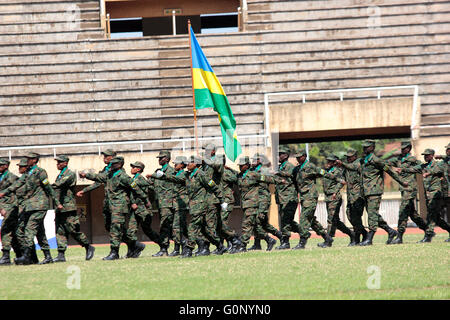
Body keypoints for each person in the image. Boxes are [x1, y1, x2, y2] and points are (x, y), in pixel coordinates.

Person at [339, 140, 407, 246]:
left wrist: (402, 182)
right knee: (373, 214)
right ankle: (390, 231)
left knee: (372, 215)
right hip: (365, 192)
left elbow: (388, 170)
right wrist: (342, 164)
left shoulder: (376, 160)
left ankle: (369, 239)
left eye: (367, 147)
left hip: (374, 191)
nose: (364, 149)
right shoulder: (363, 161)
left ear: (372, 148)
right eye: (364, 147)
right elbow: (352, 167)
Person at [82, 156, 149, 260]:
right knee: (110, 227)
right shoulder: (109, 175)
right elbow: (98, 177)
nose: (111, 165)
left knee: (115, 228)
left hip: (119, 206)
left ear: (119, 165)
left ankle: (114, 252)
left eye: (114, 164)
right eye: (111, 164)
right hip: (109, 206)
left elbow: (136, 189)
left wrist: (146, 201)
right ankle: (135, 244)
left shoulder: (124, 177)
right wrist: (86, 175)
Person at [0, 152, 61, 265]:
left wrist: (57, 202)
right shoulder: (28, 173)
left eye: (29, 159)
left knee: (28, 230)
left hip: (39, 206)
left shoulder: (40, 172)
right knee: (39, 232)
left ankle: (27, 257)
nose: (27, 160)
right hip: (30, 207)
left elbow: (48, 187)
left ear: (35, 160)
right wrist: (4, 192)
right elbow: (17, 184)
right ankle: (47, 256)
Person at [161, 155, 227, 257]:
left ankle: (188, 250)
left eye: (190, 162)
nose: (187, 164)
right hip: (193, 206)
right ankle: (220, 246)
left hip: (201, 206)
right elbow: (176, 179)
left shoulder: (201, 175)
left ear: (196, 163)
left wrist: (222, 200)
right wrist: (163, 176)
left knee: (192, 227)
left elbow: (213, 186)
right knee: (205, 231)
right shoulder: (188, 175)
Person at [52, 155, 95, 262]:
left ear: (65, 163)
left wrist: (45, 185)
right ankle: (61, 255)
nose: (57, 164)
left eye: (59, 162)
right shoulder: (60, 175)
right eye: (57, 162)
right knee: (59, 231)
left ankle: (87, 246)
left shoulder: (69, 174)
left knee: (72, 229)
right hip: (60, 207)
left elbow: (58, 185)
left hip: (68, 207)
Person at [292, 149, 333, 249]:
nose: (298, 158)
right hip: (303, 197)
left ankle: (302, 242)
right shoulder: (297, 169)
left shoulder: (310, 166)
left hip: (311, 197)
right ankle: (327, 238)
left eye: (300, 156)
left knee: (304, 219)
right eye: (296, 156)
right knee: (311, 221)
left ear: (305, 156)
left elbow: (323, 173)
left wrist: (337, 179)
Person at [388, 141, 428, 244]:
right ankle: (428, 231)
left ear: (409, 148)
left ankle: (399, 236)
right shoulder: (398, 159)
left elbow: (422, 167)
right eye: (401, 148)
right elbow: (386, 163)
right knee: (412, 214)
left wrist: (405, 169)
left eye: (405, 148)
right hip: (403, 189)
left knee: (403, 211)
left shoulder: (412, 159)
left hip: (410, 189)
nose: (402, 150)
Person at [234, 156, 276, 252]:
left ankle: (243, 246)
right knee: (256, 227)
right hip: (245, 204)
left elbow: (270, 179)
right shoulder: (240, 176)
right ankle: (269, 240)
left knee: (247, 224)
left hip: (252, 204)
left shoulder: (254, 175)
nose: (240, 167)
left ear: (247, 165)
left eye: (242, 165)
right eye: (239, 166)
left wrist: (280, 180)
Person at [248, 153, 281, 251]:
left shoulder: (264, 171)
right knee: (264, 224)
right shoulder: (251, 171)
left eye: (254, 160)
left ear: (259, 161)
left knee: (257, 221)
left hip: (263, 199)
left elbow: (273, 180)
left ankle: (269, 240)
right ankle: (280, 237)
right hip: (255, 200)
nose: (252, 162)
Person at [416, 149, 450, 242]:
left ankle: (428, 235)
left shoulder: (439, 165)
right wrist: (402, 169)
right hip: (428, 194)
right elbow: (413, 169)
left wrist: (428, 173)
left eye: (427, 155)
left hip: (436, 194)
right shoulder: (423, 166)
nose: (425, 157)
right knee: (437, 218)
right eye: (424, 155)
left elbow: (439, 170)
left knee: (431, 215)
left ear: (432, 155)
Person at [127, 161, 160, 257]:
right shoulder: (135, 179)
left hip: (143, 209)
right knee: (131, 231)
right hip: (135, 210)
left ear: (138, 169)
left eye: (133, 167)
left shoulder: (139, 179)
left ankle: (163, 245)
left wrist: (147, 202)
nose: (131, 168)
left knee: (148, 231)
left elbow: (150, 189)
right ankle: (133, 250)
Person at [335, 148, 368, 245]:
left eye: (350, 157)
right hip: (350, 196)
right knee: (350, 215)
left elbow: (353, 167)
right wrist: (335, 191)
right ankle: (362, 233)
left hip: (358, 196)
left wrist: (343, 164)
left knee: (356, 217)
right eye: (347, 157)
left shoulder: (358, 163)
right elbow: (343, 180)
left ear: (355, 156)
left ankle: (359, 237)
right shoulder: (347, 168)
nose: (348, 158)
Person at [147, 150, 177, 257]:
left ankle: (166, 248)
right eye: (159, 158)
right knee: (165, 226)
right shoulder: (157, 171)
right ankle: (166, 248)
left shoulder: (172, 172)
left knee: (166, 226)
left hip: (169, 203)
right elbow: (151, 185)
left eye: (162, 158)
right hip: (160, 203)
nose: (159, 160)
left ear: (168, 159)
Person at [322, 155, 355, 245]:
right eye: (327, 161)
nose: (328, 163)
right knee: (336, 221)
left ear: (334, 163)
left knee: (331, 219)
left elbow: (341, 182)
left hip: (334, 197)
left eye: (330, 161)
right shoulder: (326, 171)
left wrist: (335, 192)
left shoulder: (337, 171)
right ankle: (352, 234)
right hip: (328, 197)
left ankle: (328, 240)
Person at [273, 146, 300, 250]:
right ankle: (303, 232)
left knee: (286, 221)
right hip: (282, 198)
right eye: (278, 154)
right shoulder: (281, 166)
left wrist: (278, 173)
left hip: (289, 198)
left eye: (281, 154)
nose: (278, 156)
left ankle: (286, 243)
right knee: (286, 221)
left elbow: (291, 176)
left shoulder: (289, 166)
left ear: (286, 155)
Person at [0, 158, 20, 265]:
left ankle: (6, 256)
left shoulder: (12, 177)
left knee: (6, 230)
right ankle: (19, 255)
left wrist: (14, 206)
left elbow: (19, 191)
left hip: (11, 207)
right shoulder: (1, 176)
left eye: (1, 165)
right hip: (4, 206)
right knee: (13, 232)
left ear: (6, 166)